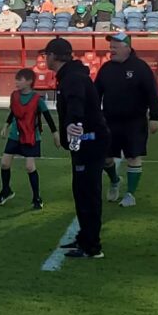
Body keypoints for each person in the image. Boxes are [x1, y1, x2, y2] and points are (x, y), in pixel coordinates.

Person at [46, 37, 106, 259]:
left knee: (87, 193)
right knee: (82, 192)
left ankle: (92, 246)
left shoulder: (71, 78)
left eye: (47, 55)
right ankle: (85, 238)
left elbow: (75, 102)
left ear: (52, 56)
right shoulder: (72, 75)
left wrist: (73, 123)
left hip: (89, 142)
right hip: (88, 141)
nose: (45, 58)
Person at [95, 33, 158, 207]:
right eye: (110, 47)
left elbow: (152, 94)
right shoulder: (106, 68)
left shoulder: (140, 68)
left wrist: (154, 117)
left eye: (115, 47)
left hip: (135, 121)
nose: (111, 50)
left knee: (133, 157)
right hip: (109, 121)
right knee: (105, 158)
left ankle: (130, 194)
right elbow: (96, 94)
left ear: (127, 48)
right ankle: (115, 180)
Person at [0, 68, 51, 209]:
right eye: (16, 79)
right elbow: (13, 112)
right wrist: (6, 126)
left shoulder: (37, 99)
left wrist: (55, 133)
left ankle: (37, 197)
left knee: (30, 167)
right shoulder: (15, 96)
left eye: (20, 79)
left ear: (29, 82)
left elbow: (48, 116)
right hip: (15, 135)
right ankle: (6, 191)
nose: (16, 82)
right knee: (4, 164)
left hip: (31, 136)